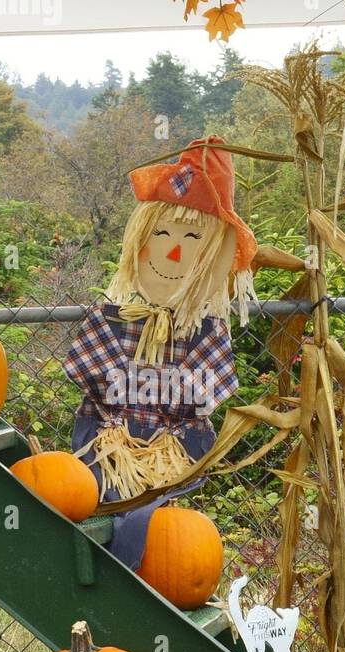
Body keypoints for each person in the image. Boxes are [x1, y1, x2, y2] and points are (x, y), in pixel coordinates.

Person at [63, 137, 255, 567]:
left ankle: (125, 584)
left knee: (149, 528)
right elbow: (92, 383)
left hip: (174, 453)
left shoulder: (206, 331)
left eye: (191, 239)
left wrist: (161, 439)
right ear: (140, 240)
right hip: (107, 446)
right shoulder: (112, 318)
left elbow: (200, 401)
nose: (173, 251)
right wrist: (119, 433)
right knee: (108, 513)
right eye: (162, 234)